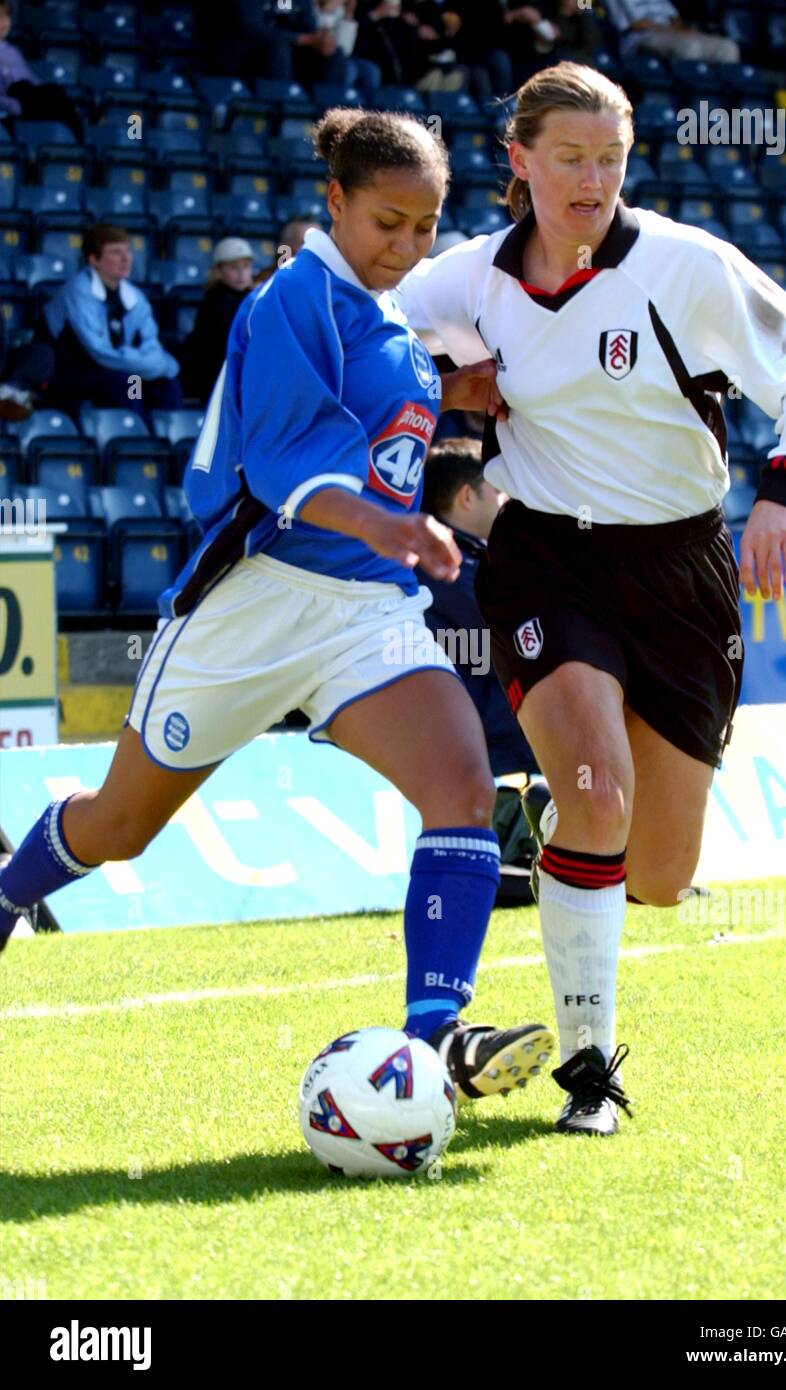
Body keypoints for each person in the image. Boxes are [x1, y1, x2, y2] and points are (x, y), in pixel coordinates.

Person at [0, 109, 553, 1106]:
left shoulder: (393, 315)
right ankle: (6, 890)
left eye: (425, 227)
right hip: (249, 603)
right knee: (120, 826)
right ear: (333, 201)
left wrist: (461, 392)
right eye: (388, 221)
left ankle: (430, 1049)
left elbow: (384, 427)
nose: (407, 246)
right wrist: (392, 525)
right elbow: (285, 463)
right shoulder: (289, 297)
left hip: (364, 611)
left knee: (461, 786)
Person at [394, 62, 786, 1135]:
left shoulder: (684, 266)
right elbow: (350, 321)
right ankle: (587, 1074)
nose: (592, 178)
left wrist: (782, 494)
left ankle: (560, 824)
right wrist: (433, 389)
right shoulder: (467, 280)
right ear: (519, 162)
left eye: (610, 157)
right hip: (546, 559)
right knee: (602, 798)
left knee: (656, 871)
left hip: (682, 571)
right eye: (569, 157)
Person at [418, 437, 537, 778]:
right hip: (491, 757)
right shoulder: (446, 569)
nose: (508, 503)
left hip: (490, 748)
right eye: (500, 492)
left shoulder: (463, 560)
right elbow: (522, 636)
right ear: (467, 497)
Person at [45, 224, 182, 416]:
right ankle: (135, 437)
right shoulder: (77, 293)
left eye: (128, 251)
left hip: (122, 368)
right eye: (116, 252)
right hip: (70, 373)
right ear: (93, 259)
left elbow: (151, 345)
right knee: (130, 383)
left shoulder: (135, 297)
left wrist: (160, 367)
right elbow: (100, 353)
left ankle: (170, 440)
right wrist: (153, 365)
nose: (126, 259)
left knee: (167, 383)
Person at [181, 237, 255, 406]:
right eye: (233, 267)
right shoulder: (215, 302)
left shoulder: (253, 298)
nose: (241, 273)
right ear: (218, 271)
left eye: (246, 266)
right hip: (219, 378)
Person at [0, 0, 83, 140]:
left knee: (56, 93)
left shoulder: (11, 50)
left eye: (6, 17)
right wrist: (14, 106)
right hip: (13, 105)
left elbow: (31, 80)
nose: (4, 23)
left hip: (28, 98)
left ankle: (79, 145)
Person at [603, 0, 741, 63]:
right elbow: (633, 25)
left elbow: (674, 18)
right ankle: (690, 106)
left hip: (670, 33)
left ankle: (721, 109)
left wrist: (685, 30)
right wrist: (672, 32)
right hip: (641, 38)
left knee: (728, 48)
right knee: (689, 47)